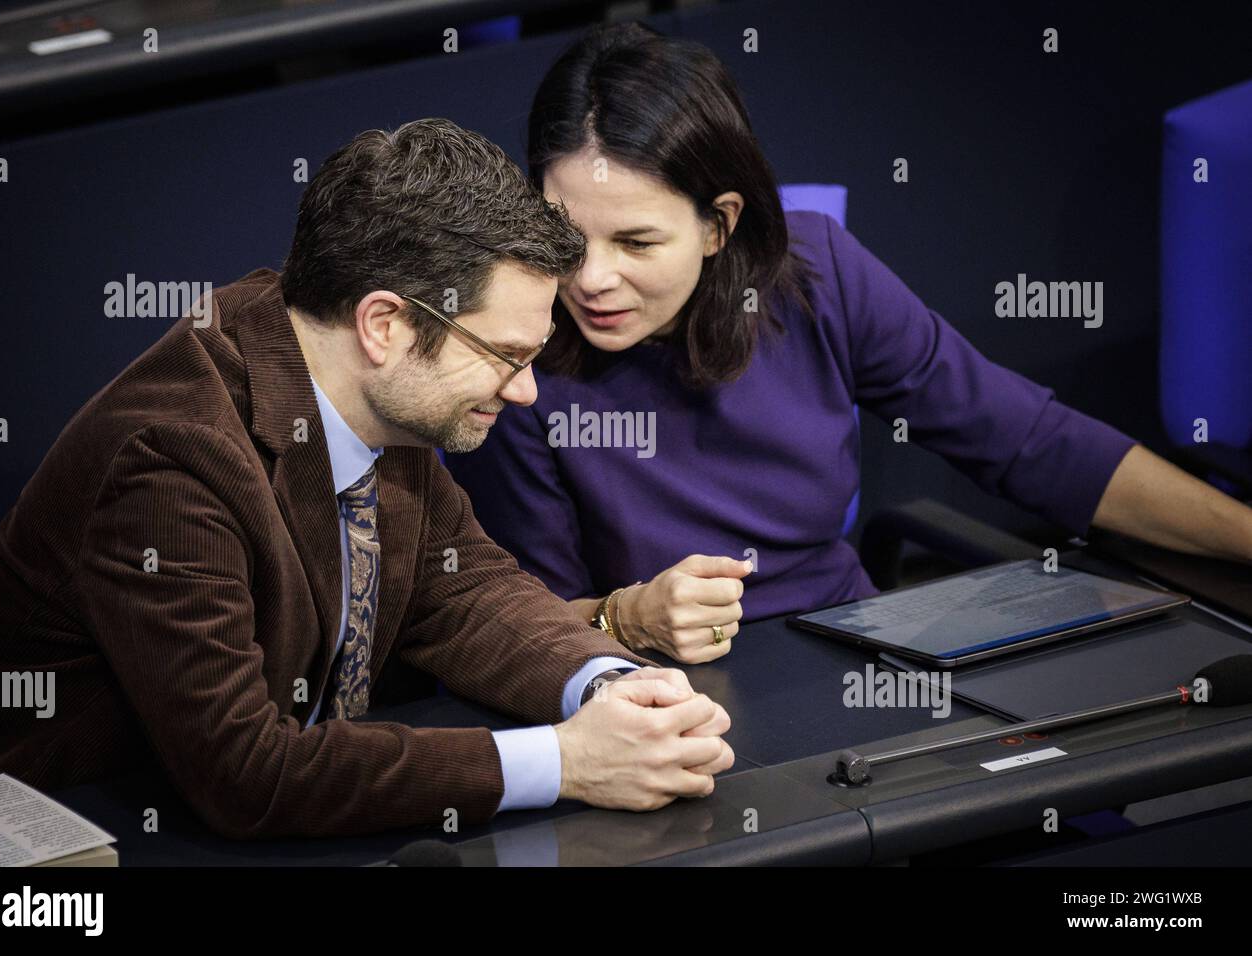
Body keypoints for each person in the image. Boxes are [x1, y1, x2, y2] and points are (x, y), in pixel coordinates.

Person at [0, 119, 734, 838]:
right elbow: (245, 774)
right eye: (507, 357)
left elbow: (459, 591)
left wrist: (603, 684)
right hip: (71, 851)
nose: (525, 390)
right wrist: (568, 760)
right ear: (385, 325)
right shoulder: (169, 459)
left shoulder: (363, 380)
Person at [446, 23, 1252, 666]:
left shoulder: (816, 273)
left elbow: (1030, 441)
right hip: (654, 692)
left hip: (856, 642)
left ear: (719, 225)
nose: (589, 279)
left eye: (638, 242)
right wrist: (626, 618)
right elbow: (520, 619)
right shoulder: (516, 358)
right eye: (561, 232)